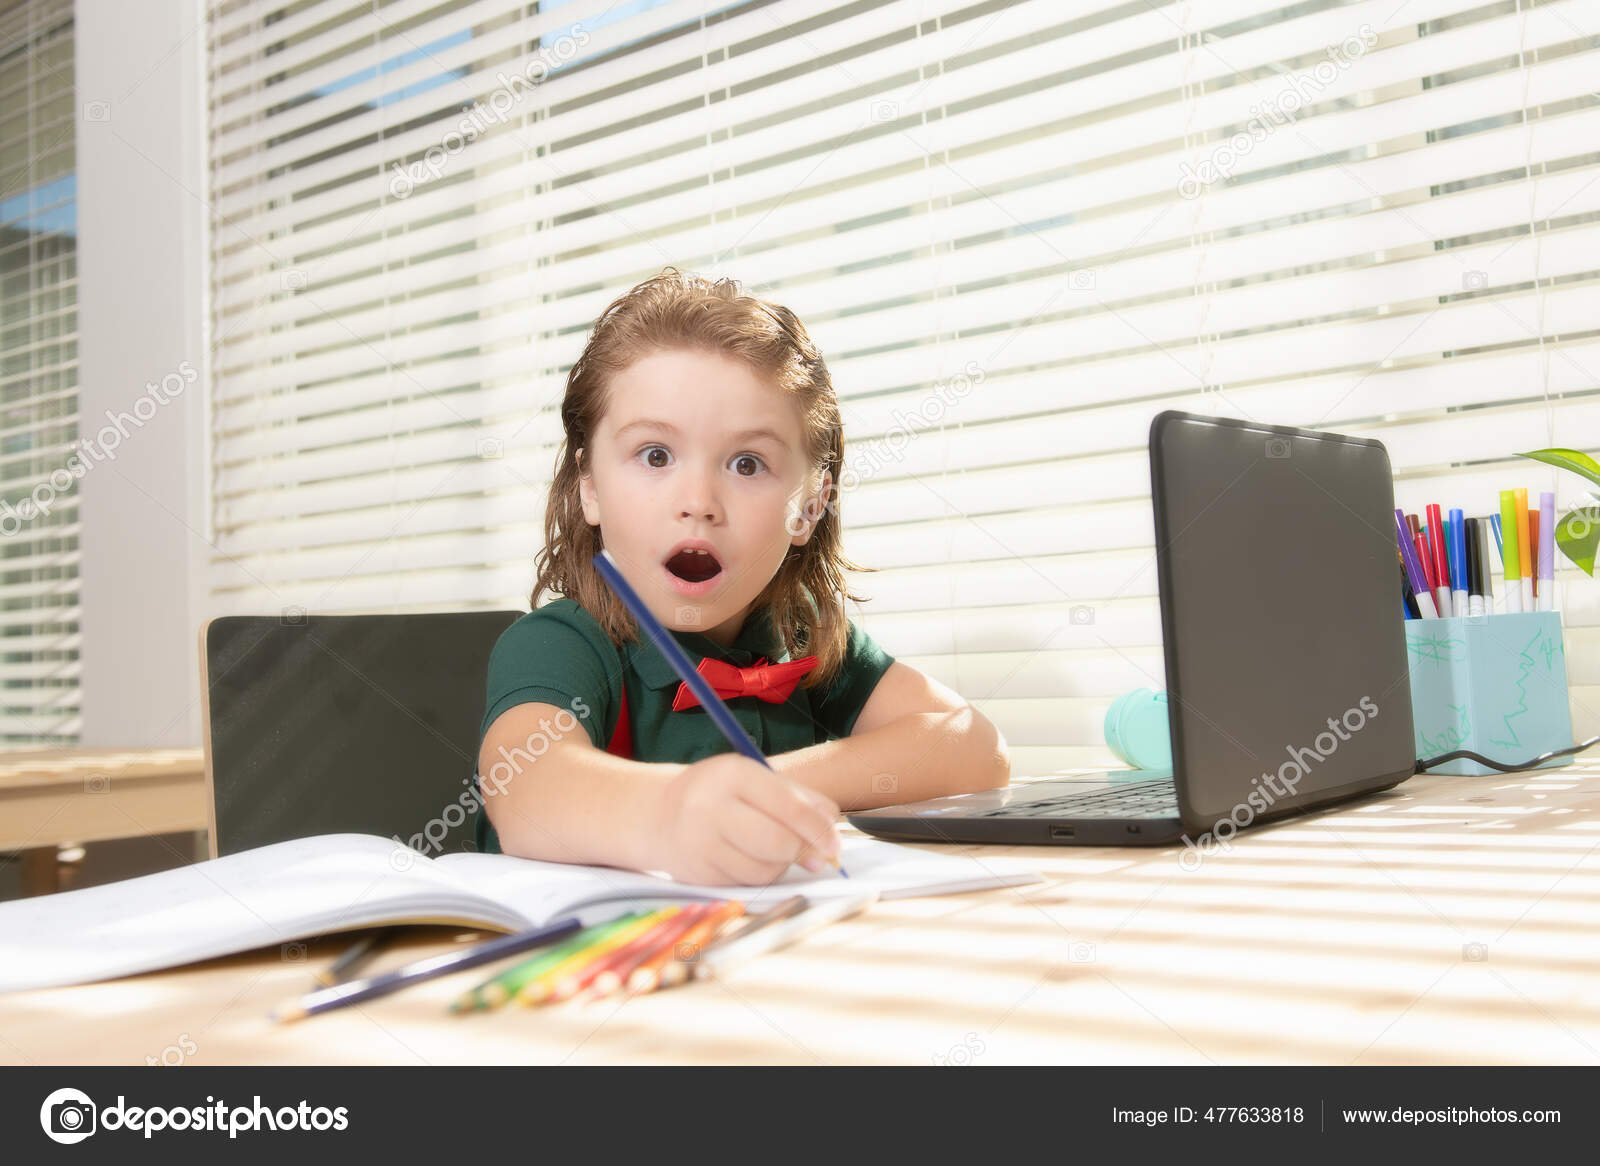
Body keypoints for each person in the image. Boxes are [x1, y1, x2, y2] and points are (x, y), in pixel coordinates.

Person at [476, 269, 1009, 885]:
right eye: (655, 455)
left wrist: (762, 789)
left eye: (747, 463)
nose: (699, 500)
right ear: (589, 488)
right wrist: (675, 812)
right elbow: (527, 791)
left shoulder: (800, 635)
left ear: (809, 507)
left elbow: (975, 748)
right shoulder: (562, 642)